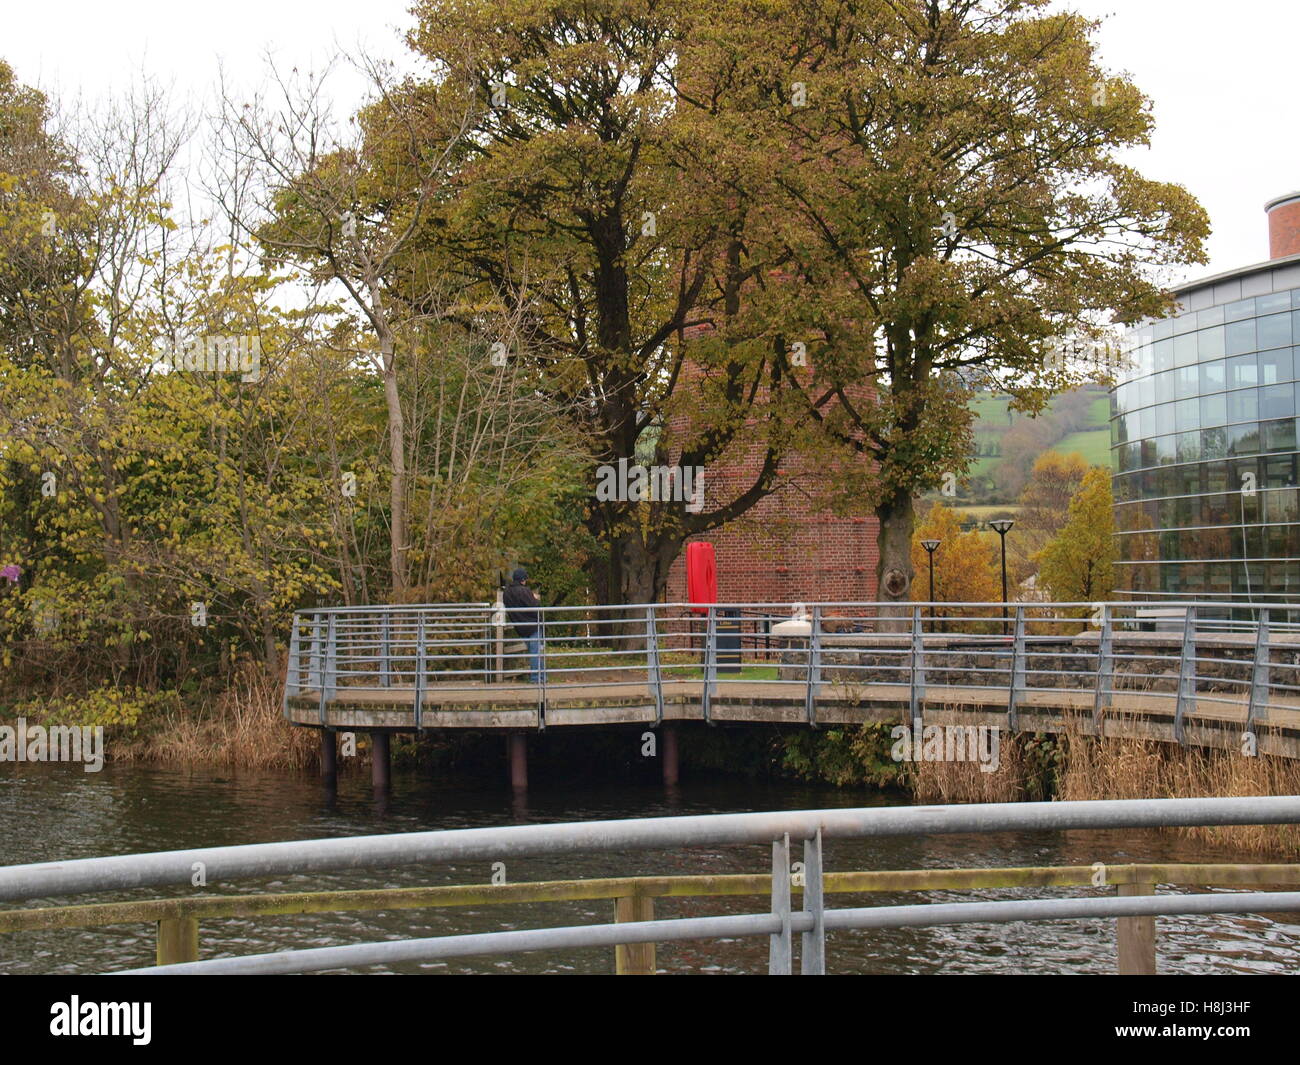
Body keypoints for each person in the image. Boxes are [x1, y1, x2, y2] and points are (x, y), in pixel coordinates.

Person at [502, 567, 544, 683]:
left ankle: (543, 678)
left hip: (520, 626)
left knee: (535, 652)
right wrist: (535, 598)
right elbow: (535, 606)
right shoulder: (524, 591)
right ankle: (537, 679)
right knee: (536, 653)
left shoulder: (506, 593)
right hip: (532, 625)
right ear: (523, 580)